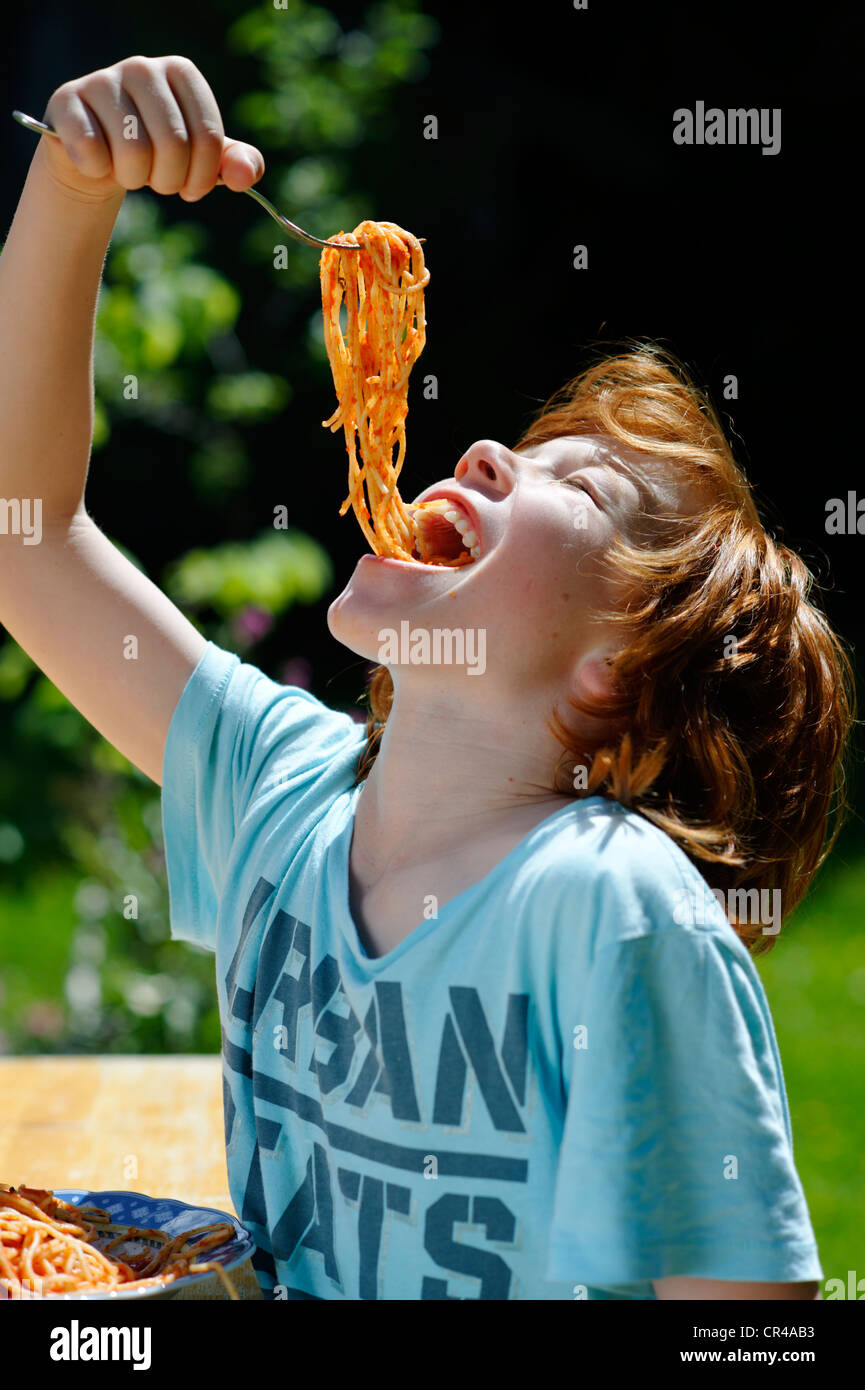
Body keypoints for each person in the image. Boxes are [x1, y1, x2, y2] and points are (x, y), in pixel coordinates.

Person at [0, 55, 852, 1301]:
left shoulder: (611, 912)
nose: (492, 451)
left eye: (589, 491)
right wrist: (73, 194)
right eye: (528, 442)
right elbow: (26, 536)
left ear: (617, 677)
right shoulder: (283, 795)